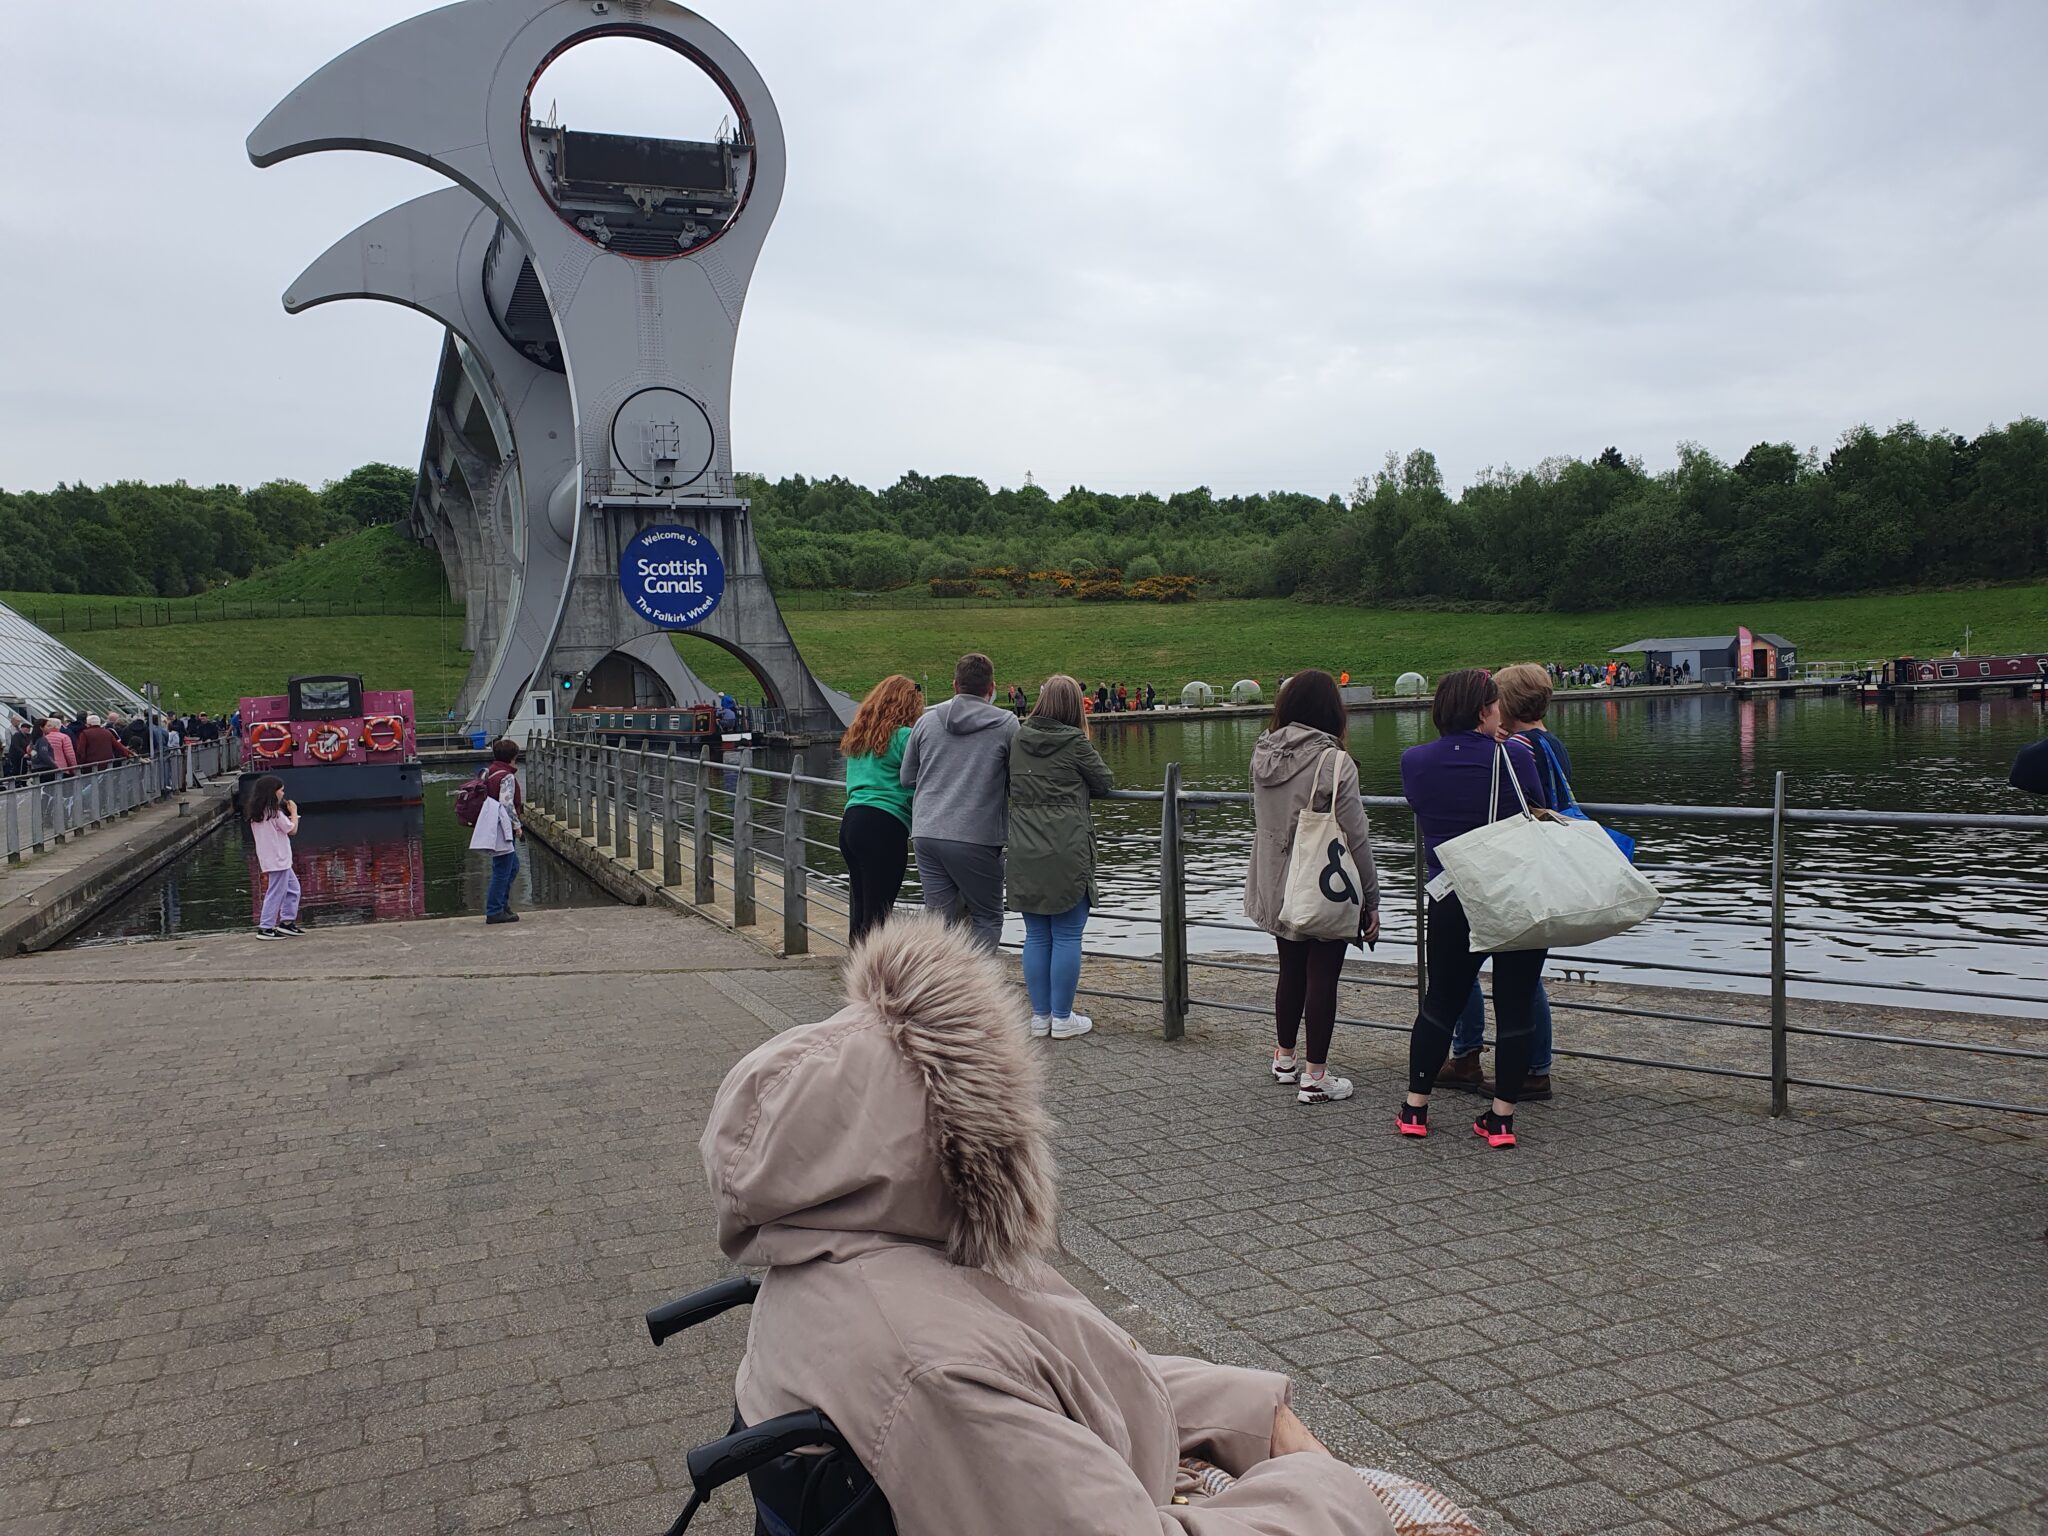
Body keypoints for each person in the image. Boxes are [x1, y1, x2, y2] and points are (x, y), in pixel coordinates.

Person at [703, 914, 1471, 1536]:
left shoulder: (854, 1259)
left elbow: (1069, 1365)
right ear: (951, 1138)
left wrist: (1249, 1412)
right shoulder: (933, 1365)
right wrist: (1322, 1486)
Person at [1399, 669, 1548, 1148]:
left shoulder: (1414, 761)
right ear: (1486, 710)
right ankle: (1501, 1119)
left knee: (1441, 1000)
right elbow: (1538, 815)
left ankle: (1415, 1108)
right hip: (1514, 896)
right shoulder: (1516, 759)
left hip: (1451, 896)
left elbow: (1424, 806)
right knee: (1516, 1002)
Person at [1244, 669, 1380, 1105]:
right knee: (1323, 976)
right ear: (1331, 711)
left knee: (1290, 970)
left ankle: (1285, 1060)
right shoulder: (1333, 762)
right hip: (1323, 884)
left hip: (1275, 882)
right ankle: (1315, 1077)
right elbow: (1356, 837)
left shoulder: (1261, 754)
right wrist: (1371, 900)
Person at [1442, 663, 1558, 1102]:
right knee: (1526, 977)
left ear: (1502, 705)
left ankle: (1487, 1058)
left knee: (1477, 970)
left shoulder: (1517, 747)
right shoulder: (1551, 743)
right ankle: (1531, 1064)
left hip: (1505, 870)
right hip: (1537, 870)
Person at [1008, 675, 1114, 1040]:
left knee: (1036, 935)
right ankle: (1063, 1017)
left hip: (1024, 846)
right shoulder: (1074, 742)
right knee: (1068, 934)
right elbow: (1104, 782)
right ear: (1074, 706)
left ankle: (1039, 1018)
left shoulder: (1017, 738)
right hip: (1067, 847)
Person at [899, 652, 1019, 953]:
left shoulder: (926, 721)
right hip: (976, 836)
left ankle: (938, 993)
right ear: (991, 688)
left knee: (939, 922)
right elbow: (1017, 778)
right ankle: (976, 993)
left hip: (927, 832)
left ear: (955, 685)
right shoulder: (1007, 724)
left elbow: (906, 777)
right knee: (987, 917)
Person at [837, 674, 923, 942]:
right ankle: (874, 978)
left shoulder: (858, 734)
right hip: (884, 824)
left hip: (852, 821)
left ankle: (856, 970)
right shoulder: (904, 737)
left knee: (861, 910)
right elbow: (924, 774)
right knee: (879, 914)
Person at [243, 774, 303, 939]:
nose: (283, 794)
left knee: (293, 889)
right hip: (279, 859)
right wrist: (294, 812)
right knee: (276, 892)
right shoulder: (274, 813)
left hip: (272, 858)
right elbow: (292, 830)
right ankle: (266, 926)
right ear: (273, 792)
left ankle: (287, 921)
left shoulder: (258, 813)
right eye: (281, 791)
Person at [471, 739, 525, 923]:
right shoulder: (507, 776)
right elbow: (506, 804)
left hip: (491, 823)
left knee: (512, 866)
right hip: (503, 827)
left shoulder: (489, 771)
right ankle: (495, 910)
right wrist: (517, 826)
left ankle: (502, 905)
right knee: (503, 869)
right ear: (513, 757)